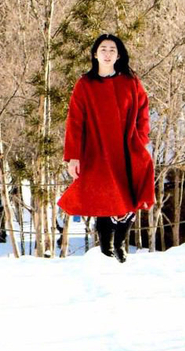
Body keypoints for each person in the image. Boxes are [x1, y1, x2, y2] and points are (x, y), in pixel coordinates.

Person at [59, 32, 154, 260]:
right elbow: (75, 121)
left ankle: (121, 242)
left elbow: (143, 112)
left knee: (130, 193)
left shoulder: (131, 82)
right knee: (104, 197)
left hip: (126, 149)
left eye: (112, 49)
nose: (108, 53)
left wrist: (140, 138)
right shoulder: (85, 84)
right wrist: (74, 156)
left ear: (118, 54)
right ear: (95, 54)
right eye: (103, 49)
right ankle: (106, 249)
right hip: (97, 150)